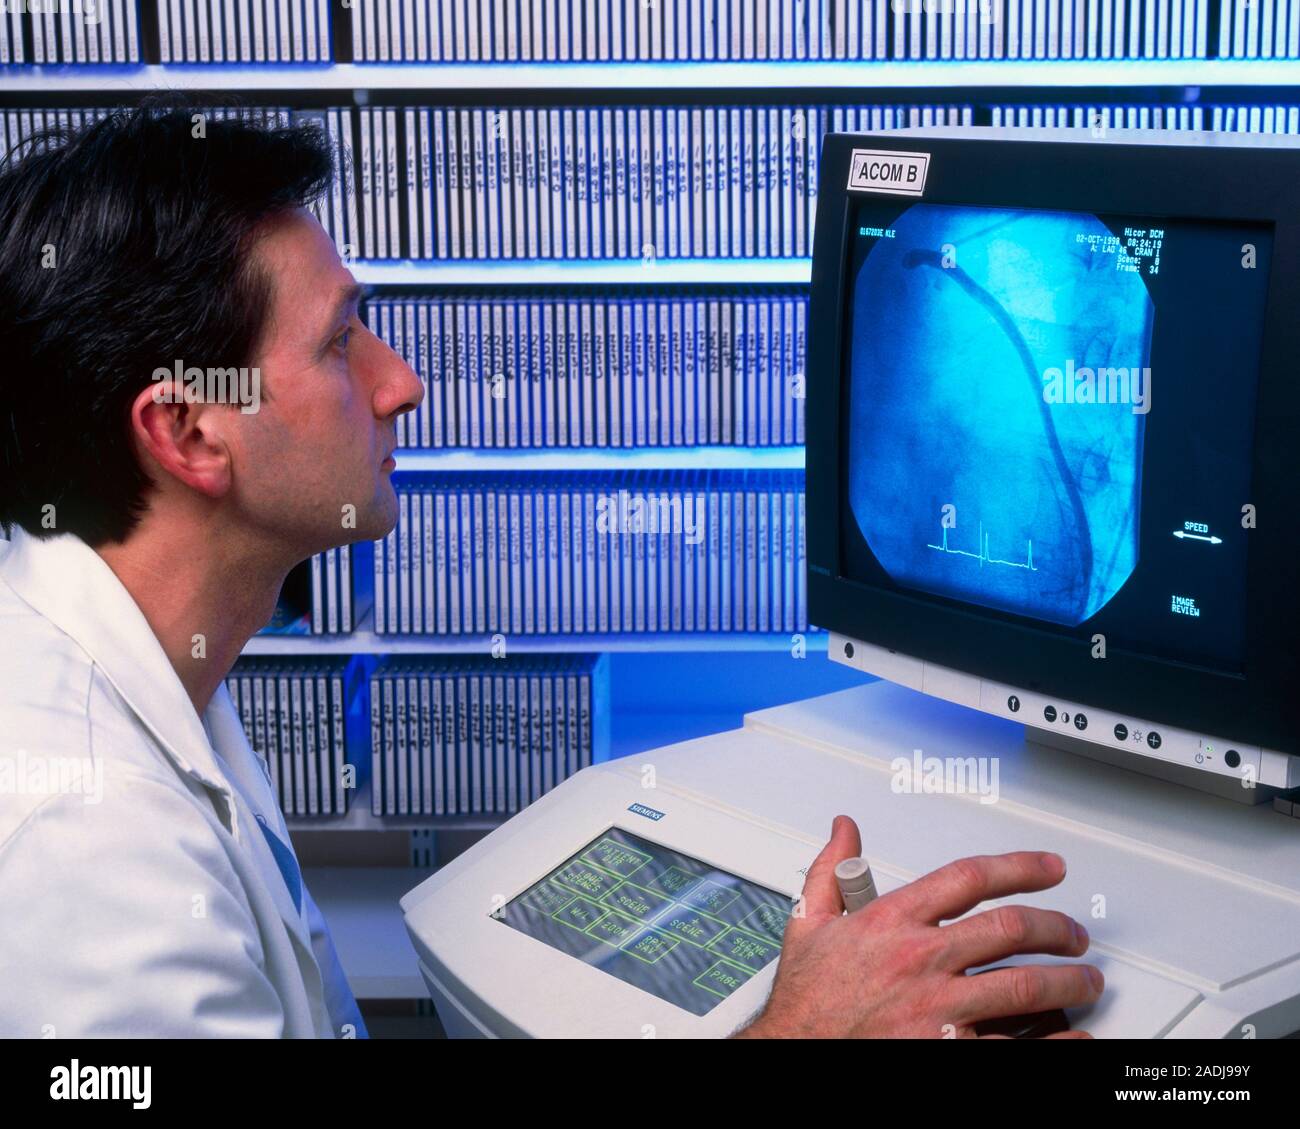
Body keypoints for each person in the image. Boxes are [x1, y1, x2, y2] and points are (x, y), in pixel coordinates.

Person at [0, 97, 1103, 1038]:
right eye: (340, 344)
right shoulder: (92, 855)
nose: (403, 384)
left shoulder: (146, 656)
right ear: (190, 433)